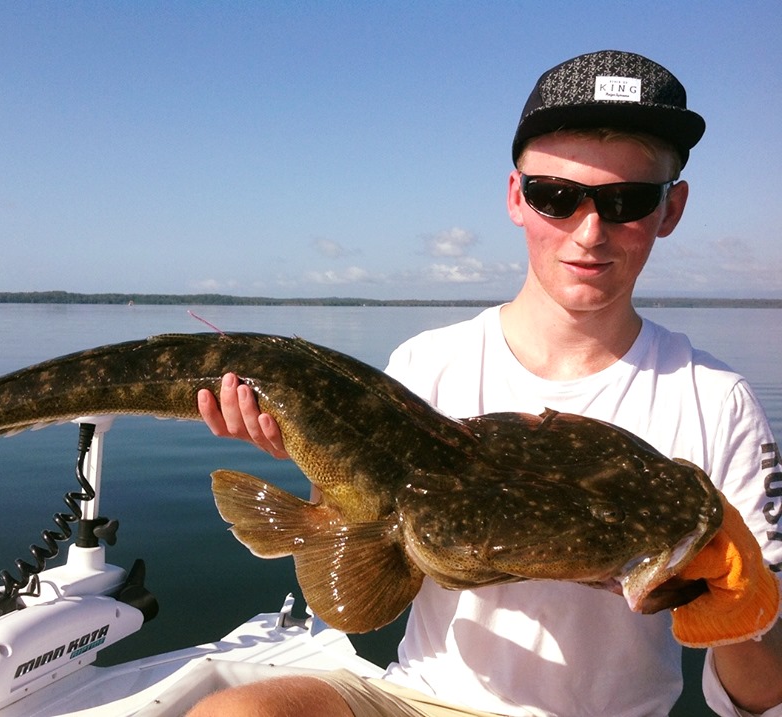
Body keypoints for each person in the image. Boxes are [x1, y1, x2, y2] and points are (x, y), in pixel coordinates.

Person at [192, 50, 782, 716]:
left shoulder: (716, 400)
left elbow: (765, 697)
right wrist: (318, 461)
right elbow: (359, 592)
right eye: (556, 196)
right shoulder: (426, 366)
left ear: (671, 208)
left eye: (628, 201)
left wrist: (741, 605)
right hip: (424, 697)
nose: (590, 232)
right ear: (515, 197)